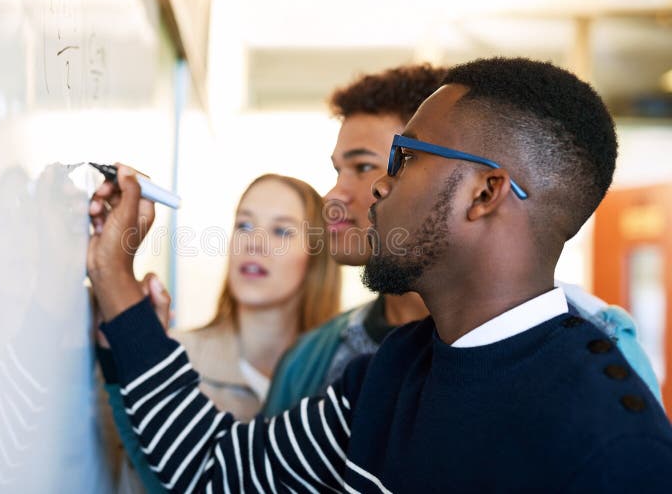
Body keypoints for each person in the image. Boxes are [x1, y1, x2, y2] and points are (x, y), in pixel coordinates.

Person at [88, 57, 672, 492]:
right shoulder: (392, 373)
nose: (380, 188)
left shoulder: (614, 446)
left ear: (486, 192)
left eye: (405, 158)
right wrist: (117, 281)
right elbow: (212, 468)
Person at [264, 64, 662, 415]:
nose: (334, 195)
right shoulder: (319, 361)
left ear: (481, 191)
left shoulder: (601, 361)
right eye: (338, 171)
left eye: (373, 164)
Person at [95, 173, 341, 492]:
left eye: (281, 231)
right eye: (245, 225)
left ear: (316, 256)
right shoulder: (172, 356)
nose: (254, 242)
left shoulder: (338, 374)